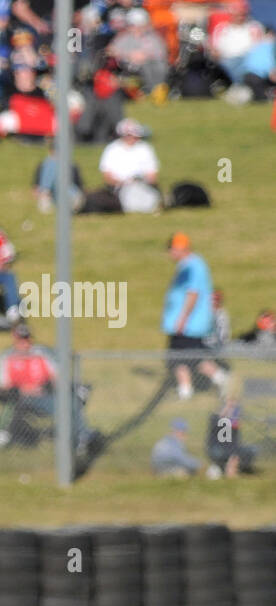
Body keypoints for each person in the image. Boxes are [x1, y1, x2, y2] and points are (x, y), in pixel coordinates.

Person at [162, 233, 228, 401]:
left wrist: (183, 318)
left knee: (188, 357)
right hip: (186, 323)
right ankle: (188, 388)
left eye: (172, 249)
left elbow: (193, 293)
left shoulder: (193, 266)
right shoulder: (188, 265)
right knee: (185, 357)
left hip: (188, 324)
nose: (170, 254)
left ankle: (220, 380)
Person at [0, 324, 55, 446]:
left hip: (44, 396)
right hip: (19, 398)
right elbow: (3, 385)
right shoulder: (8, 357)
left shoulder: (41, 355)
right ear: (15, 340)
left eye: (26, 339)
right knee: (12, 404)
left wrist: (44, 387)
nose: (24, 343)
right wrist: (23, 390)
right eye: (20, 340)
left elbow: (56, 378)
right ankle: (4, 434)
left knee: (70, 403)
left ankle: (81, 437)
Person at [98, 118, 160, 212]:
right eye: (130, 135)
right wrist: (123, 182)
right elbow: (107, 177)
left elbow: (152, 175)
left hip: (142, 184)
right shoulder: (112, 149)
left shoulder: (145, 148)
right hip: (119, 188)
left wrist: (140, 181)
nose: (133, 138)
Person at [109, 7, 169, 97]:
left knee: (158, 66)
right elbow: (111, 51)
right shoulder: (123, 38)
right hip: (129, 66)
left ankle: (158, 89)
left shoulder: (153, 38)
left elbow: (162, 53)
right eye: (133, 25)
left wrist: (146, 55)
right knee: (145, 66)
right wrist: (129, 55)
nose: (136, 28)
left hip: (152, 64)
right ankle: (152, 91)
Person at [205, 397, 257, 477]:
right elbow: (219, 423)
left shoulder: (234, 422)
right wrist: (226, 412)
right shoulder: (215, 418)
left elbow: (236, 442)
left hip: (231, 448)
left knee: (252, 449)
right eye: (230, 406)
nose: (232, 409)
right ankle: (226, 468)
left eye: (234, 406)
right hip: (217, 448)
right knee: (221, 453)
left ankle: (238, 468)